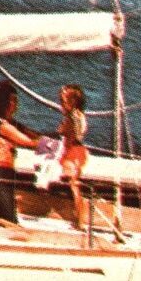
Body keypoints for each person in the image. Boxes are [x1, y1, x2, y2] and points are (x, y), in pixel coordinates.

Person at [0, 80, 40, 224]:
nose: (16, 104)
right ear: (4, 102)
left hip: (7, 174)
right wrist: (52, 144)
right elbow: (28, 142)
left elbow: (34, 135)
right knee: (10, 221)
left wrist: (59, 137)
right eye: (13, 100)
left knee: (8, 215)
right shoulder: (3, 126)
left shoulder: (12, 123)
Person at [57, 84, 91, 228]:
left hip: (73, 152)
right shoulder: (80, 116)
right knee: (74, 185)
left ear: (72, 103)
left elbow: (62, 131)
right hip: (79, 151)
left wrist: (62, 128)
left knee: (74, 186)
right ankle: (80, 218)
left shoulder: (71, 118)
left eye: (63, 102)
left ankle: (81, 221)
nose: (61, 106)